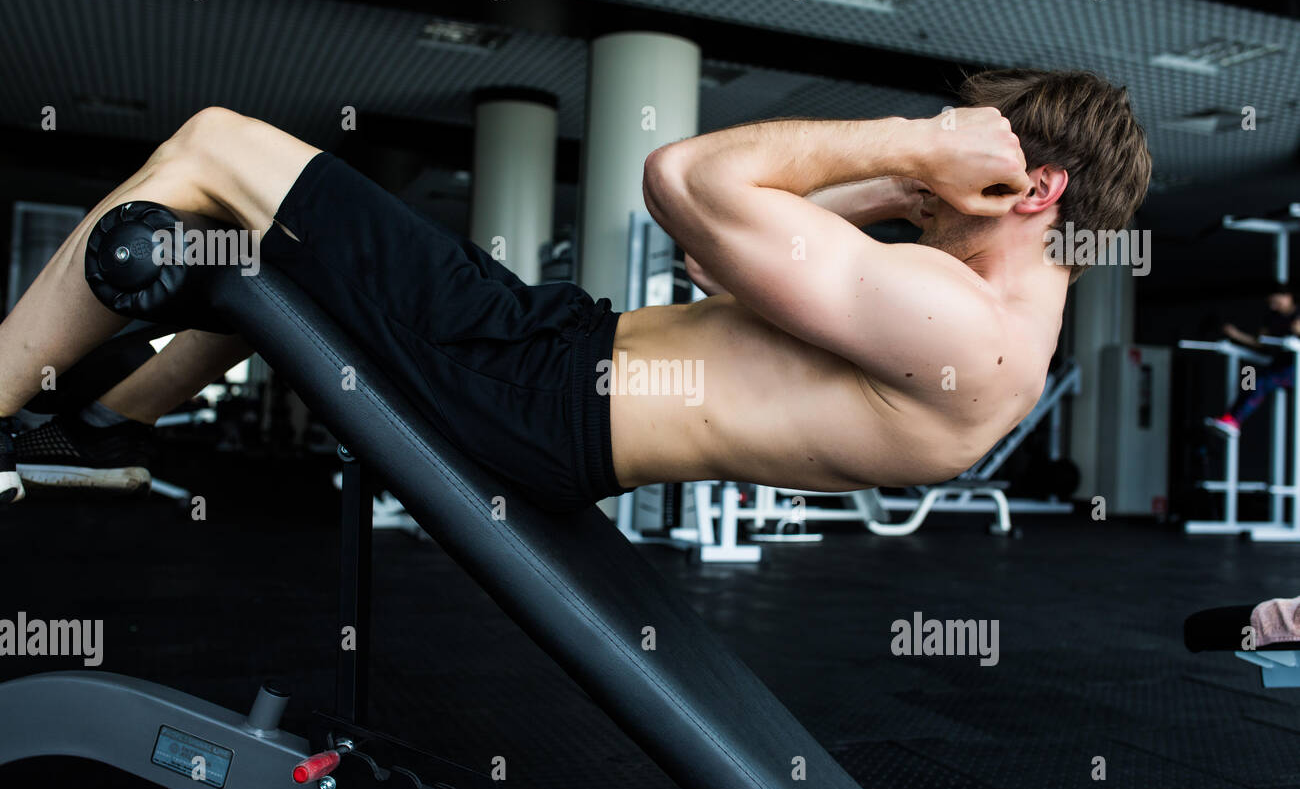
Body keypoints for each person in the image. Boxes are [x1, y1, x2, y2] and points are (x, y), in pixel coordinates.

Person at [0, 68, 1152, 510]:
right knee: (259, 242)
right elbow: (716, 256)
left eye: (973, 154)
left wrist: (910, 141)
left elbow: (683, 178)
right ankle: (117, 415)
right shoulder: (971, 307)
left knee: (210, 146)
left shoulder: (959, 321)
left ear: (1030, 189)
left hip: (536, 391)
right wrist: (917, 183)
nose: (934, 165)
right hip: (555, 366)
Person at [1205, 285, 1300, 438]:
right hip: (1280, 364)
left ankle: (1233, 419)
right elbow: (1260, 342)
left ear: (1288, 296)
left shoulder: (1297, 314)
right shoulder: (1272, 317)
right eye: (1271, 303)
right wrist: (1236, 335)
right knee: (1252, 382)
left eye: (1276, 301)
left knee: (1262, 381)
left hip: (1294, 367)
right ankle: (1231, 419)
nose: (1273, 306)